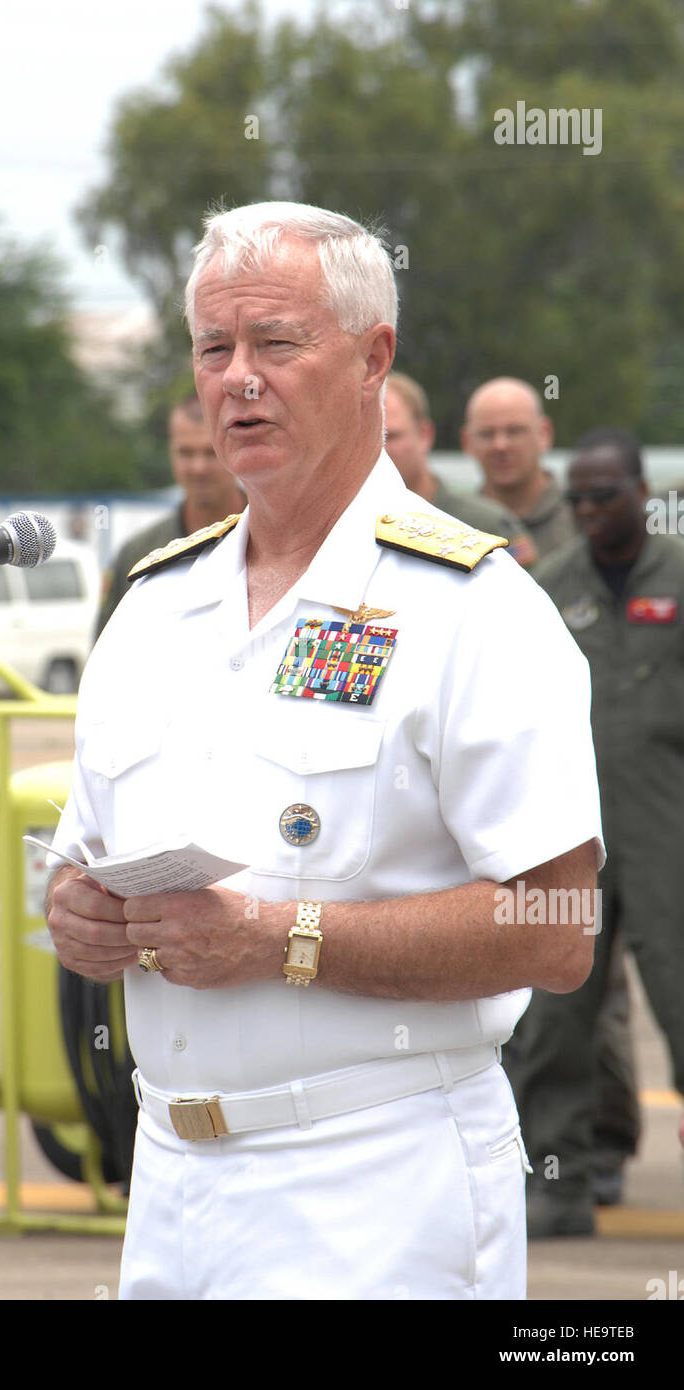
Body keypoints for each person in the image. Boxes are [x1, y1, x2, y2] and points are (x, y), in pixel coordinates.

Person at [46, 201, 602, 1301]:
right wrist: (74, 909)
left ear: (370, 360)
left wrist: (277, 937)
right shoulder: (152, 610)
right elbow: (79, 853)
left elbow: (557, 928)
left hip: (376, 1188)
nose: (237, 378)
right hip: (168, 1185)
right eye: (215, 348)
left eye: (275, 343)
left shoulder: (472, 608)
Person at [505, 428, 684, 1237]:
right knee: (553, 1014)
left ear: (642, 490)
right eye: (573, 497)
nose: (584, 510)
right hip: (571, 834)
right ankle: (559, 1183)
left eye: (602, 494)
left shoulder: (677, 574)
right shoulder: (551, 586)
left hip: (665, 824)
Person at [92, 393, 246, 638]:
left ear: (235, 448)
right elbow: (106, 656)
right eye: (186, 453)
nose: (198, 467)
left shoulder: (277, 541)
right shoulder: (138, 555)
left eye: (211, 452)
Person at [384, 373, 538, 566]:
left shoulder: (485, 525)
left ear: (424, 435)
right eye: (367, 438)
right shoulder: (352, 523)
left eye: (390, 436)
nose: (379, 449)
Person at [461, 377, 578, 559]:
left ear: (544, 434)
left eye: (515, 431)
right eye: (486, 434)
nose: (500, 445)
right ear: (467, 442)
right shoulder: (455, 526)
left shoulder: (582, 517)